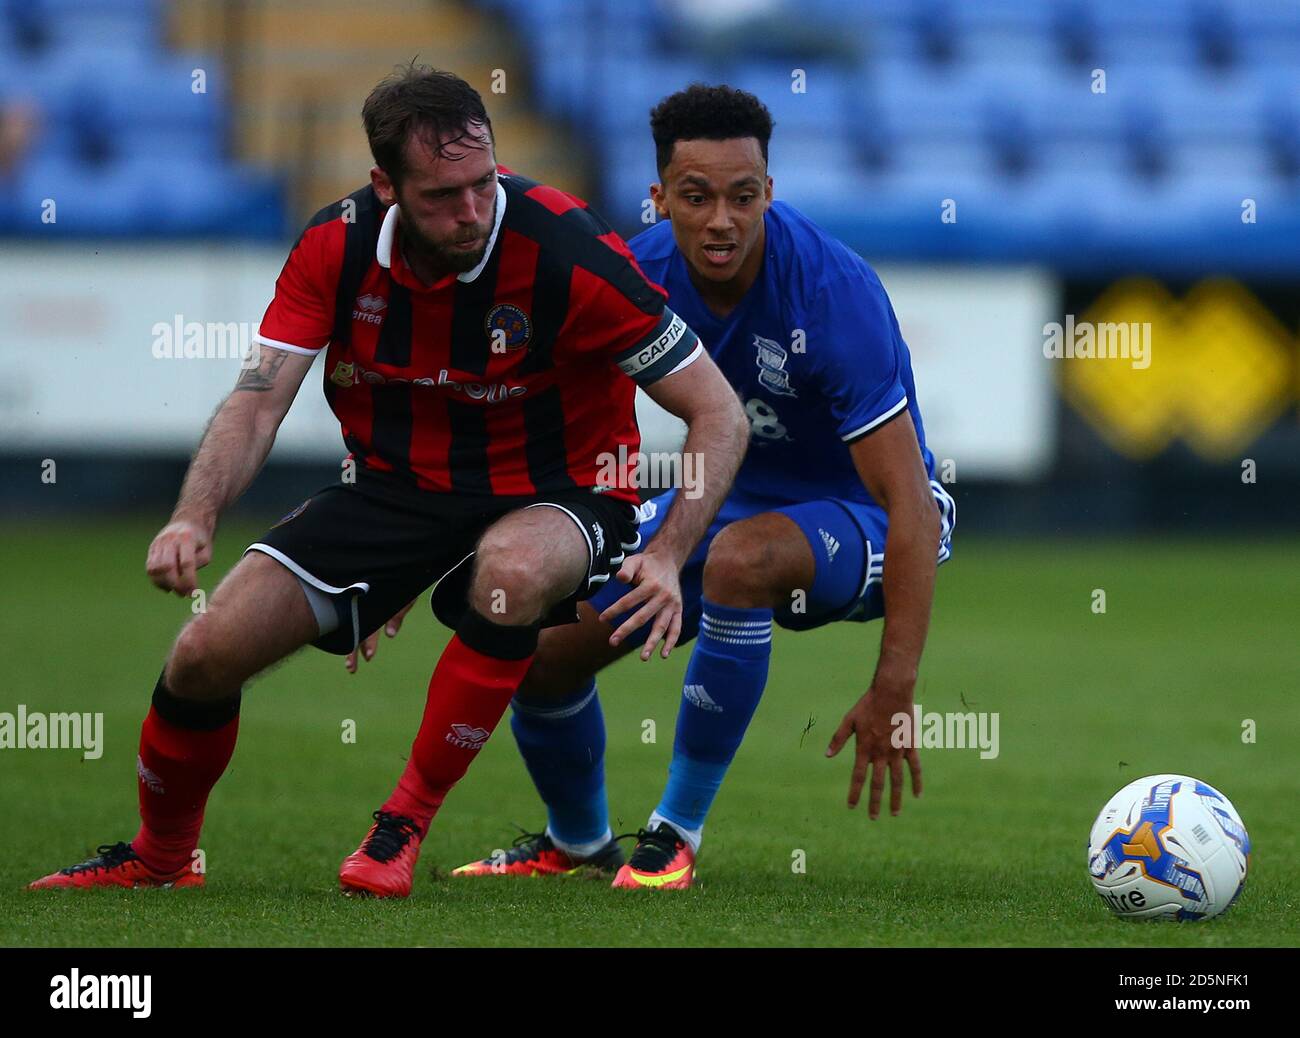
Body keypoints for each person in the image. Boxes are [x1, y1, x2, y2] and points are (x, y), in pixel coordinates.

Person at [27, 67, 748, 898]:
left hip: (566, 488)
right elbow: (258, 402)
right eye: (443, 195)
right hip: (397, 490)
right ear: (386, 187)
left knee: (509, 576)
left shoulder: (569, 247)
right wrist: (193, 516)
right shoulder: (333, 245)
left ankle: (400, 825)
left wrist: (667, 554)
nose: (473, 210)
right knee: (201, 655)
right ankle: (159, 858)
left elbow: (719, 415)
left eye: (483, 183)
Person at [436, 84, 956, 889]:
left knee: (738, 562)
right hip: (722, 501)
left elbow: (912, 503)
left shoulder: (832, 293)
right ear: (658, 199)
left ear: (769, 194)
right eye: (697, 196)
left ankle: (672, 836)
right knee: (533, 644)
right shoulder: (631, 276)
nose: (722, 220)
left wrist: (895, 685)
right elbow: (533, 424)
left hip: (871, 520)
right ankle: (577, 840)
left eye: (744, 197)